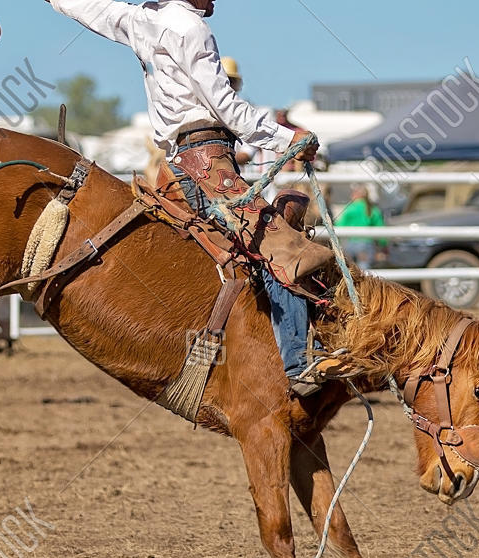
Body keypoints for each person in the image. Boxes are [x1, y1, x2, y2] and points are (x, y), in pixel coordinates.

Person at [45, 0, 338, 397]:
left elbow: (91, 9)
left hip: (181, 162)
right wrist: (289, 138)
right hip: (208, 165)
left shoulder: (143, 20)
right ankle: (299, 363)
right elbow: (225, 105)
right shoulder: (190, 27)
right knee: (282, 249)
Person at [335, 184, 386, 269]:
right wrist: (383, 245)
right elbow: (380, 230)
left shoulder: (349, 209)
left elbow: (339, 226)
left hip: (350, 245)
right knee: (364, 270)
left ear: (356, 195)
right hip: (366, 245)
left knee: (350, 269)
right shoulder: (372, 210)